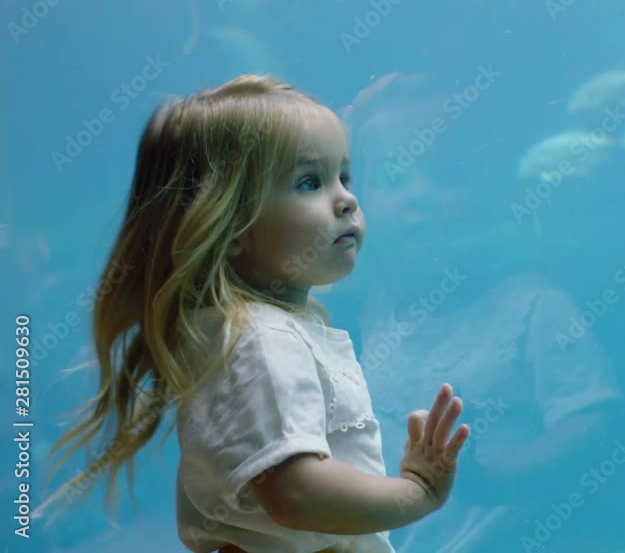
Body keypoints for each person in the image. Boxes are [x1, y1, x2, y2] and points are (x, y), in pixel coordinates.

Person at [37, 74, 470, 553]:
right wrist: (414, 494)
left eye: (343, 176)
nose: (346, 199)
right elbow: (295, 492)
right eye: (310, 182)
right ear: (232, 224)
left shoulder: (250, 332)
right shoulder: (263, 342)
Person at [338, 71, 625, 552]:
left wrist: (497, 477)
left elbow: (593, 422)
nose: (420, 195)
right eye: (395, 176)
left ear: (498, 190)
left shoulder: (535, 306)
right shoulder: (374, 307)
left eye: (447, 174)